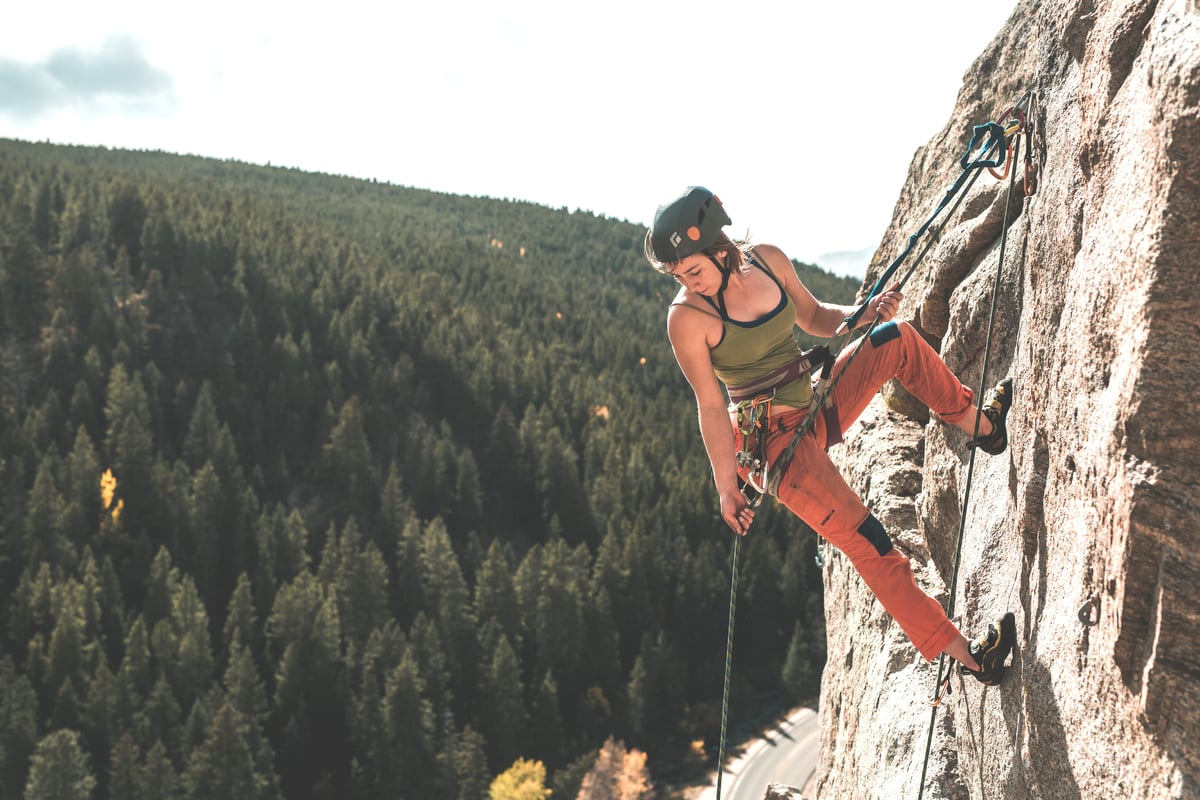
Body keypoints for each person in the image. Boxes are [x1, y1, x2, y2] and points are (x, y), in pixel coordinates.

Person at [644, 186, 1015, 685]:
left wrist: (857, 316)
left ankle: (983, 428)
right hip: (774, 446)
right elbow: (711, 406)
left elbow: (815, 316)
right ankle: (971, 657)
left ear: (719, 247)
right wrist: (726, 486)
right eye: (678, 276)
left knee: (895, 338)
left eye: (692, 269)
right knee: (869, 540)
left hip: (814, 403)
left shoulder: (768, 261)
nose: (686, 283)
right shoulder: (687, 317)